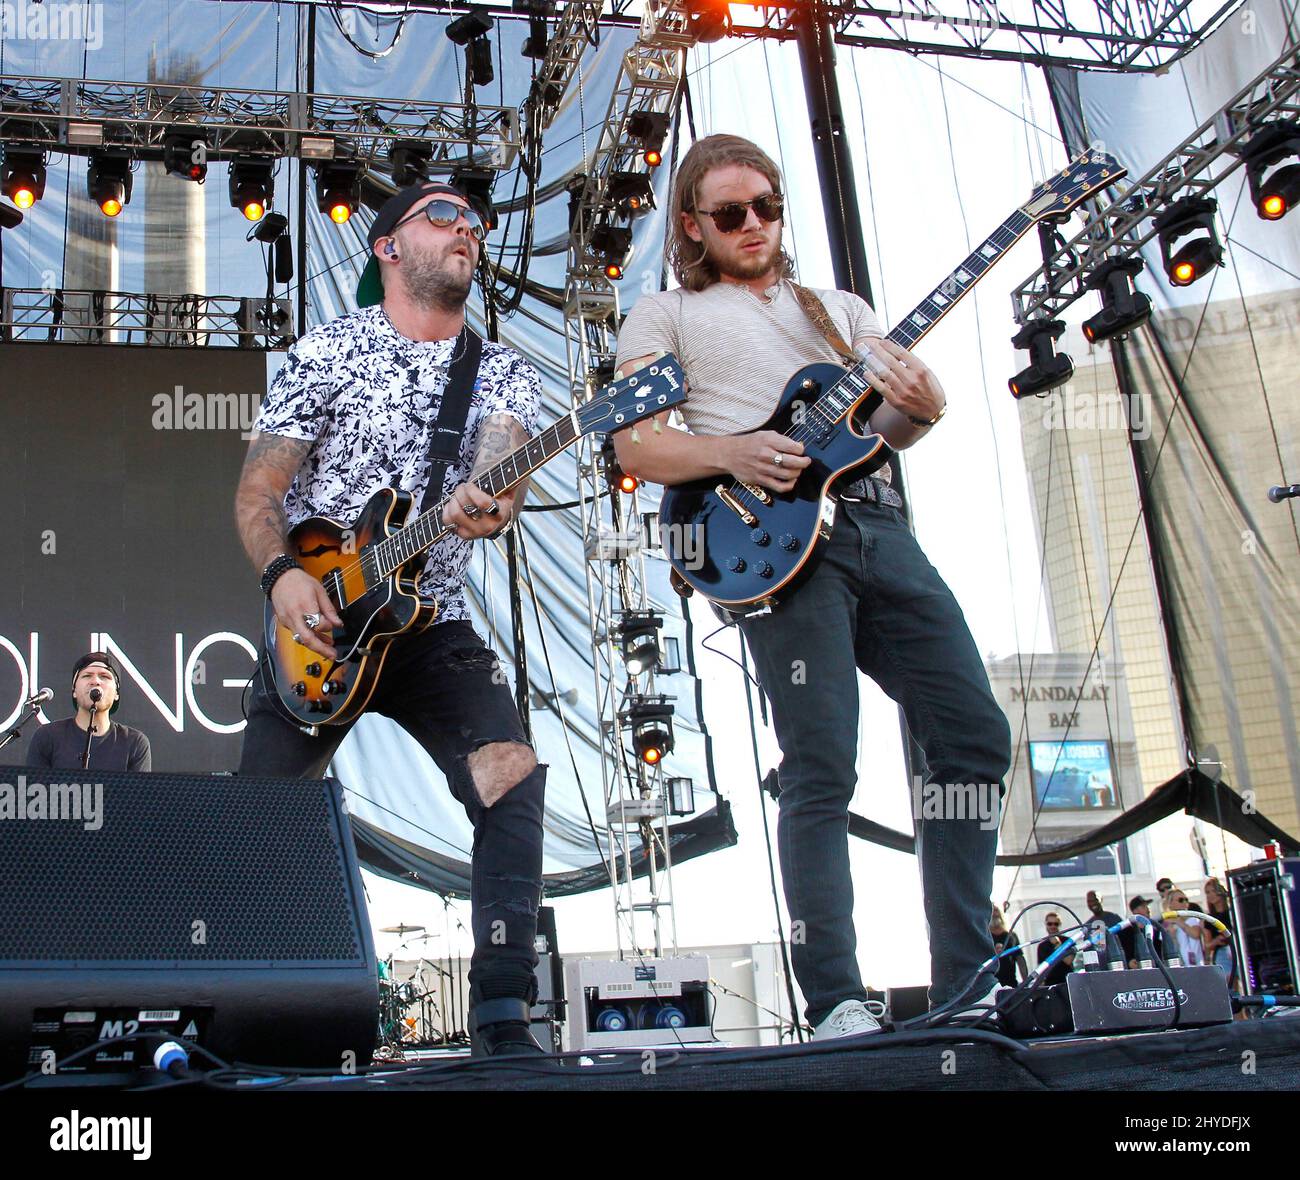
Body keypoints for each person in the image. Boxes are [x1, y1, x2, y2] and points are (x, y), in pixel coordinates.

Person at [613, 134, 1011, 1039]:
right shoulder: (666, 314)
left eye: (766, 206)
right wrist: (731, 450)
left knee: (974, 735)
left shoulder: (838, 309)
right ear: (692, 226)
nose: (753, 224)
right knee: (823, 761)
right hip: (775, 543)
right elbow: (634, 445)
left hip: (876, 523)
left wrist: (922, 402)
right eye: (729, 214)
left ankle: (966, 983)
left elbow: (891, 429)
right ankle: (835, 998)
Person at [233, 181, 549, 1058]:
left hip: (427, 620)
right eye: (443, 217)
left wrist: (492, 494)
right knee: (261, 830)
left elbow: (501, 456)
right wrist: (281, 576)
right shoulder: (330, 350)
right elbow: (259, 490)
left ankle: (501, 1015)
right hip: (318, 620)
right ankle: (260, 1027)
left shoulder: (501, 366)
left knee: (512, 775)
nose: (466, 231)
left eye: (474, 223)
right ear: (387, 246)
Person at [26, 652, 151, 772]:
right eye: (87, 676)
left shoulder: (134, 743)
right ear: (74, 691)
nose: (95, 681)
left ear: (116, 694)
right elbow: (34, 790)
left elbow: (137, 793)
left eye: (105, 676)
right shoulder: (47, 736)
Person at [1119, 895, 1168, 966]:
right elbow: (1123, 952)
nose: (1148, 909)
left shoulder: (1155, 930)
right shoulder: (1125, 932)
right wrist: (1129, 962)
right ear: (1135, 911)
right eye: (1143, 907)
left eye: (1147, 906)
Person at [1162, 888, 1205, 965]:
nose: (1184, 902)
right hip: (1178, 965)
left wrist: (1178, 921)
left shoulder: (1193, 919)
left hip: (1197, 964)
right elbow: (1165, 946)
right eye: (1181, 900)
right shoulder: (1167, 923)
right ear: (1170, 903)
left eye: (1186, 899)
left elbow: (1195, 934)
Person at [990, 907, 1028, 987]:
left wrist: (1026, 981)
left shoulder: (1011, 936)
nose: (995, 914)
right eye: (992, 912)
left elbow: (1020, 958)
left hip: (1010, 983)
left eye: (997, 911)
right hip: (991, 984)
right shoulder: (986, 936)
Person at [1035, 913, 1075, 985]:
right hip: (1049, 983)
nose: (1053, 926)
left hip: (1066, 982)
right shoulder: (1042, 946)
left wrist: (1057, 944)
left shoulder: (1068, 941)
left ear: (1059, 924)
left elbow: (1068, 960)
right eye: (1050, 924)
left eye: (1055, 924)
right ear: (1046, 925)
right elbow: (1041, 969)